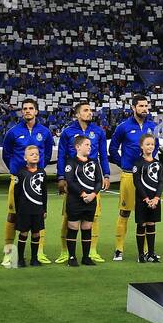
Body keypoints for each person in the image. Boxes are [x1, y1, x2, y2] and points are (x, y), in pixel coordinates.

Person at [0, 98, 54, 266]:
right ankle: (9, 254)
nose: (27, 111)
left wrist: (39, 171)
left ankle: (38, 253)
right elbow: (6, 154)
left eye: (31, 108)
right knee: (12, 216)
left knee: (38, 216)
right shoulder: (13, 132)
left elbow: (47, 153)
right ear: (21, 112)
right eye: (24, 108)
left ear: (36, 111)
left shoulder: (44, 132)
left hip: (36, 179)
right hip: (18, 179)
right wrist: (16, 170)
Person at [53, 101, 109, 262]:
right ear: (77, 114)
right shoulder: (68, 132)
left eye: (90, 110)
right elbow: (62, 156)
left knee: (92, 217)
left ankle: (91, 251)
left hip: (92, 179)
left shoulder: (98, 131)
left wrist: (106, 174)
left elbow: (103, 155)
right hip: (73, 179)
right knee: (69, 217)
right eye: (85, 110)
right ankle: (65, 252)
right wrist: (61, 177)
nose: (89, 113)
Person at [108, 94, 158, 262]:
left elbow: (155, 146)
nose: (144, 109)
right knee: (125, 212)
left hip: (147, 178)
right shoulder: (123, 127)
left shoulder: (152, 126)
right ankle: (118, 249)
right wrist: (121, 162)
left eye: (146, 106)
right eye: (141, 106)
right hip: (129, 175)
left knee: (146, 214)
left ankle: (145, 252)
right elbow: (113, 147)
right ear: (133, 107)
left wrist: (150, 163)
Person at [15, 143, 50, 268]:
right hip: (24, 210)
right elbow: (16, 193)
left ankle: (34, 258)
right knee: (23, 233)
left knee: (36, 233)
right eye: (31, 154)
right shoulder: (21, 173)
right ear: (25, 158)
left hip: (38, 209)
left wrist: (44, 209)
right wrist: (17, 210)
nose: (35, 156)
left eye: (37, 154)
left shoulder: (42, 172)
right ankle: (20, 259)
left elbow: (44, 193)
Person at [132, 134, 163, 262]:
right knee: (142, 224)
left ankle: (151, 253)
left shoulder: (157, 163)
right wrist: (146, 198)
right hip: (142, 200)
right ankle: (141, 255)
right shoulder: (138, 163)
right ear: (141, 146)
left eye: (152, 144)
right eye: (147, 144)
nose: (150, 146)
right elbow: (137, 182)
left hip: (155, 200)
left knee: (151, 224)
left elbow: (161, 182)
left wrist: (156, 198)